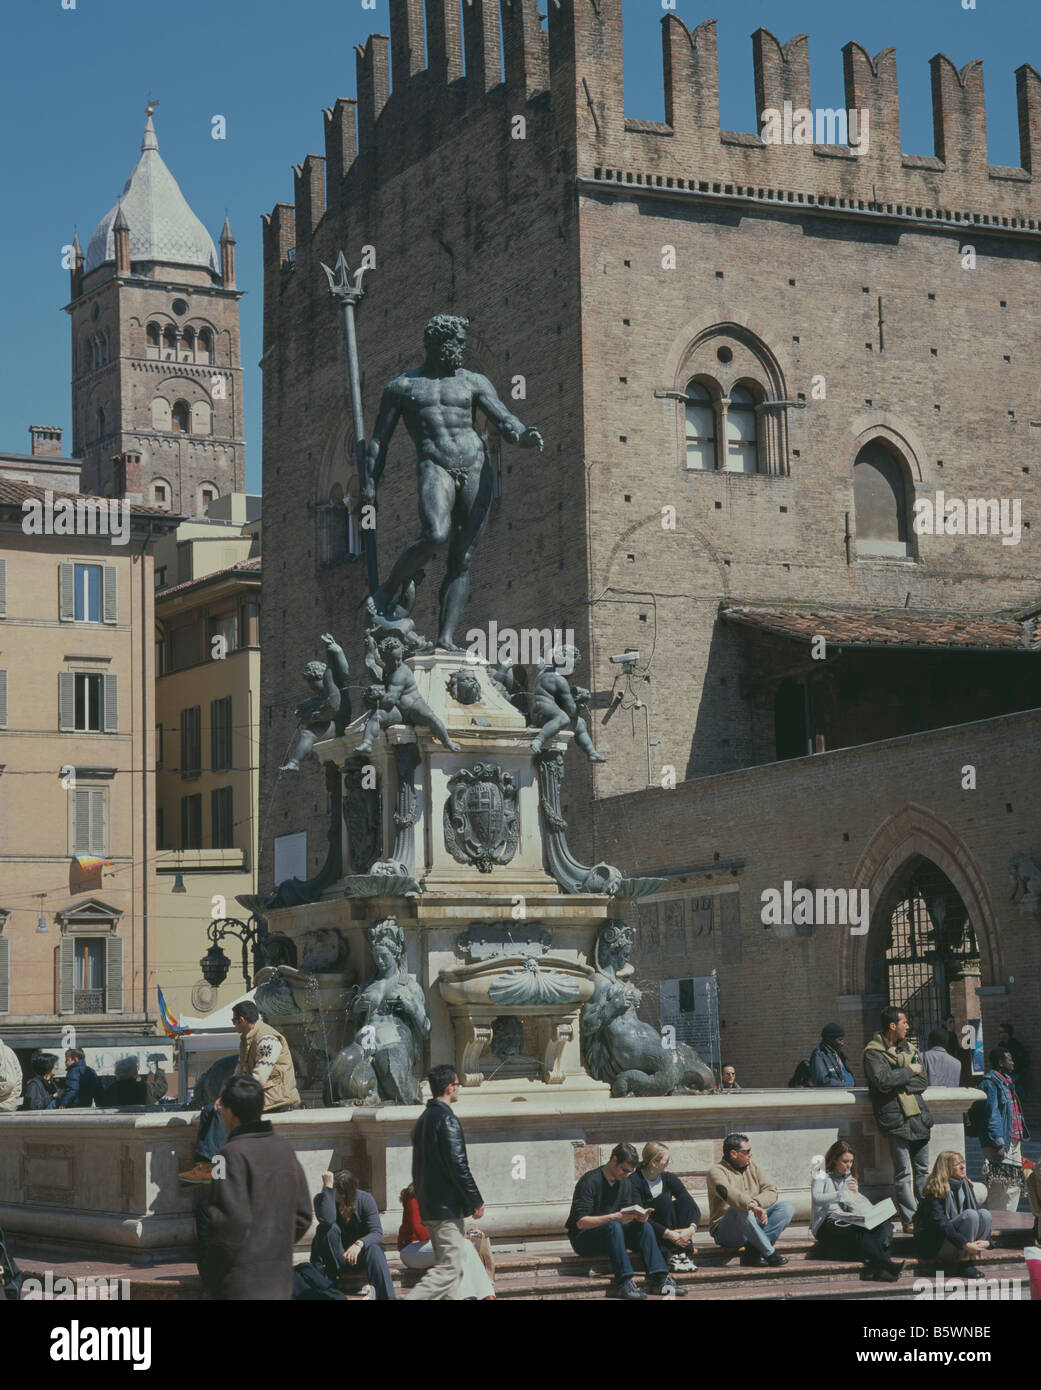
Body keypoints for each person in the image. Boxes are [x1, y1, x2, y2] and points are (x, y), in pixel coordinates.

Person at [364, 313, 544, 651]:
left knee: (462, 558)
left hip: (476, 464)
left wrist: (521, 434)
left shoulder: (474, 382)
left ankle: (445, 639)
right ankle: (389, 587)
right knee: (435, 533)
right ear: (436, 343)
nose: (462, 349)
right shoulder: (402, 387)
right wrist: (369, 484)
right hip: (435, 464)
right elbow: (378, 441)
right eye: (457, 342)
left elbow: (503, 418)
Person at [202, 1074, 311, 1300]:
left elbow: (226, 1222)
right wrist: (273, 1247)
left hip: (239, 1284)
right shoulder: (285, 1149)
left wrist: (210, 1273)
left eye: (222, 1107)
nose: (220, 1112)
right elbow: (302, 1215)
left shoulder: (226, 1155)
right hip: (279, 1283)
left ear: (231, 1112)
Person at [180, 1001, 301, 1182]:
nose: (233, 1024)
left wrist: (229, 1099)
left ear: (242, 1020)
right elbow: (239, 1072)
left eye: (233, 1020)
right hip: (259, 1094)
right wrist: (223, 1094)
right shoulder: (247, 1038)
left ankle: (214, 1167)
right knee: (208, 1111)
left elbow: (258, 1077)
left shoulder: (267, 1039)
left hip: (276, 1097)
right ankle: (203, 1165)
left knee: (223, 1113)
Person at [408, 1064, 487, 1300]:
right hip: (445, 1208)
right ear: (449, 1086)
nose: (459, 1089)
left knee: (453, 1274)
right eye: (457, 1084)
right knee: (448, 1270)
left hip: (431, 1206)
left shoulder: (423, 1120)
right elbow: (458, 1165)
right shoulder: (446, 1120)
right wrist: (476, 1200)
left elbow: (418, 1168)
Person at [566, 1142, 683, 1299]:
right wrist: (614, 1217)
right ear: (614, 1160)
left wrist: (638, 1217)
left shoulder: (625, 1182)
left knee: (644, 1227)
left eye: (630, 1172)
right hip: (585, 1239)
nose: (627, 1174)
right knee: (613, 1225)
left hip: (614, 1235)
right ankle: (625, 1282)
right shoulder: (589, 1181)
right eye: (624, 1169)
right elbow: (581, 1222)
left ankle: (660, 1279)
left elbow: (625, 1215)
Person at [863, 1006, 933, 1232]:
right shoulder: (873, 1053)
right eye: (905, 1023)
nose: (908, 1027)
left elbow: (922, 1083)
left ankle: (927, 1215)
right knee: (903, 1173)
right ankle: (911, 1220)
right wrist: (909, 1072)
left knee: (923, 1171)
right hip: (895, 1119)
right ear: (892, 1026)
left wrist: (901, 1078)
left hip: (918, 1117)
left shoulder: (910, 1049)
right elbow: (881, 1081)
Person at [810, 1139, 902, 1282]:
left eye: (851, 1161)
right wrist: (841, 1193)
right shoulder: (821, 1174)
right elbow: (817, 1198)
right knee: (865, 1233)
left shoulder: (848, 1177)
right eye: (845, 1161)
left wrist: (856, 1195)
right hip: (827, 1223)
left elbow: (856, 1205)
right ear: (834, 1159)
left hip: (848, 1218)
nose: (849, 1165)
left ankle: (875, 1269)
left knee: (884, 1225)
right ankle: (886, 1264)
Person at [708, 1134, 795, 1267]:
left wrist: (756, 1203)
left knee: (787, 1207)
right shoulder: (716, 1171)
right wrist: (751, 1206)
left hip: (753, 1221)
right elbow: (731, 1195)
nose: (751, 1154)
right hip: (727, 1231)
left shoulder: (753, 1166)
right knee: (741, 1209)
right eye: (747, 1151)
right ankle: (769, 1253)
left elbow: (771, 1190)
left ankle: (753, 1252)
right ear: (733, 1153)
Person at [397, 1182, 495, 1297]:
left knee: (465, 1245)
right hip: (412, 1250)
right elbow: (421, 1233)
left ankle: (487, 1295)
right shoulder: (415, 1196)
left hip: (435, 1245)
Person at [311, 1169, 395, 1300]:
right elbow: (327, 1219)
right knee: (329, 1229)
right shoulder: (321, 1200)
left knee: (374, 1249)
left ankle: (387, 1297)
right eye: (330, 1188)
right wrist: (327, 1188)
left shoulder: (365, 1199)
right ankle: (331, 1286)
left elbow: (377, 1233)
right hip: (334, 1260)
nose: (331, 1192)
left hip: (358, 1258)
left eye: (334, 1189)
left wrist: (359, 1244)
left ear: (344, 1193)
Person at [914, 1150, 992, 1280]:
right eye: (957, 1164)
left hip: (958, 1241)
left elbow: (979, 1218)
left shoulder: (965, 1185)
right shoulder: (935, 1190)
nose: (963, 1167)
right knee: (970, 1215)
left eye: (963, 1163)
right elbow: (941, 1225)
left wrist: (988, 1242)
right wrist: (965, 1244)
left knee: (984, 1214)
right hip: (937, 1244)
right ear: (946, 1168)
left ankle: (970, 1259)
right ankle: (965, 1262)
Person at [630, 1141, 700, 1273]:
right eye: (666, 1160)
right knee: (664, 1201)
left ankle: (681, 1254)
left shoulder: (669, 1178)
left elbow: (691, 1206)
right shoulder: (634, 1181)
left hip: (673, 1231)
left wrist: (691, 1229)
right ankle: (673, 1254)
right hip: (649, 1230)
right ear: (653, 1162)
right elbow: (639, 1216)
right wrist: (668, 1233)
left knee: (683, 1202)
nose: (669, 1163)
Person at [978, 1046, 1031, 1214]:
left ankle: (1011, 1220)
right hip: (1000, 1143)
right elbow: (992, 1116)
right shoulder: (990, 1083)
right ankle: (998, 1224)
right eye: (1010, 1060)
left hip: (1014, 1140)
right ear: (1000, 1063)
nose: (1013, 1063)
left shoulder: (1008, 1082)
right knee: (999, 1186)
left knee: (1014, 1185)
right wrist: (998, 1143)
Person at [997, 1023, 1030, 1093]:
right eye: (999, 1032)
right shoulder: (1000, 1045)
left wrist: (1018, 1071)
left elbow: (1022, 1060)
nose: (999, 1034)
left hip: (1015, 1073)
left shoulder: (1016, 1045)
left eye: (1001, 1032)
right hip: (1004, 1074)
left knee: (1010, 1091)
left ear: (1007, 1033)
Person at [0, 1036, 23, 1113]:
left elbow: (9, 1084)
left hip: (4, 1105)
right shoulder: (8, 1051)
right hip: (7, 1104)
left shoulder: (5, 1051)